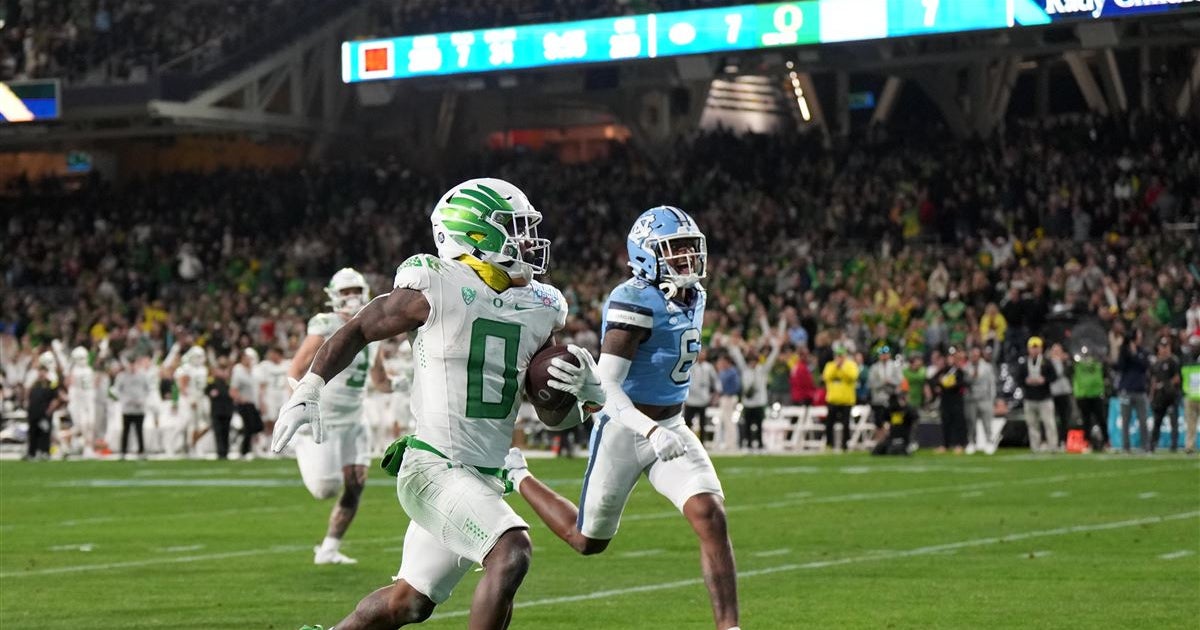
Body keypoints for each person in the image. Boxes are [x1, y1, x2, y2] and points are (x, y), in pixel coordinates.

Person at [273, 178, 570, 629]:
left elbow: (549, 410)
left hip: (485, 474)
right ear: (475, 234)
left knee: (407, 604)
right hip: (435, 466)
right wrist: (311, 384)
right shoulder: (437, 283)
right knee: (511, 551)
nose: (527, 239)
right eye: (513, 227)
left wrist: (579, 393)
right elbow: (360, 327)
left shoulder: (541, 306)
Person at [506, 205, 741, 630]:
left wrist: (664, 429)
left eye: (691, 247)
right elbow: (606, 387)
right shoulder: (633, 300)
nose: (687, 258)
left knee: (710, 514)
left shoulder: (694, 294)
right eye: (675, 249)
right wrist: (648, 429)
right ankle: (519, 474)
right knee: (586, 540)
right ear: (647, 255)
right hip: (625, 428)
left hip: (672, 425)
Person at [285, 267, 390, 565]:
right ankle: (301, 442)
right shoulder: (325, 324)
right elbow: (295, 370)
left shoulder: (374, 328)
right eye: (346, 292)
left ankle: (329, 548)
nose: (353, 297)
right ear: (334, 296)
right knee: (325, 489)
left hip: (355, 418)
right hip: (324, 418)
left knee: (356, 482)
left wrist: (404, 381)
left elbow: (380, 380)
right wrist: (297, 405)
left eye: (356, 291)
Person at [728, 316, 783, 452]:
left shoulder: (762, 370)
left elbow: (771, 359)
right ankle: (747, 444)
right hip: (747, 402)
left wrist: (776, 348)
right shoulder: (745, 370)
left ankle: (759, 444)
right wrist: (735, 346)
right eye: (750, 360)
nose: (752, 363)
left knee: (759, 424)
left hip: (759, 402)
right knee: (746, 424)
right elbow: (737, 356)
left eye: (754, 361)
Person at [1017, 337, 1057, 453]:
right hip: (1030, 398)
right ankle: (1035, 447)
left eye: (1037, 348)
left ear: (1041, 348)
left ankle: (1052, 446)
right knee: (1032, 424)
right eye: (1032, 348)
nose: (1034, 351)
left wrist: (1044, 380)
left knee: (1049, 423)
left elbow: (1054, 376)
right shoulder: (1024, 363)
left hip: (1044, 398)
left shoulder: (1047, 362)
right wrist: (1026, 381)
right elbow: (1018, 378)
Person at [1116, 330, 1152, 454]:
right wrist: (1125, 350)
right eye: (1138, 336)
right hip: (1126, 390)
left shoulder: (1143, 352)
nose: (1140, 339)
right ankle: (1126, 447)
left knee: (1143, 420)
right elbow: (1120, 366)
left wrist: (1135, 353)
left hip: (1140, 391)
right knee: (1125, 421)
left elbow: (1144, 365)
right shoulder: (1124, 352)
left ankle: (1145, 446)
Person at [24, 352, 64, 460]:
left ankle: (45, 452)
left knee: (45, 433)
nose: (41, 373)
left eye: (43, 371)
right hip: (33, 413)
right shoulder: (35, 383)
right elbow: (29, 396)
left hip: (44, 412)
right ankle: (31, 453)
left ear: (46, 372)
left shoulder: (51, 383)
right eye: (39, 371)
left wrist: (49, 410)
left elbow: (55, 398)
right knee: (33, 433)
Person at [114, 355, 154, 459]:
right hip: (127, 408)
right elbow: (116, 390)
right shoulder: (122, 376)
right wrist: (124, 400)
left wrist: (142, 399)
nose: (132, 366)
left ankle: (141, 451)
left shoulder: (143, 375)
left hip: (139, 407)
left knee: (139, 430)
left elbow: (149, 389)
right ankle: (123, 452)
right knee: (126, 430)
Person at [174, 345, 210, 455]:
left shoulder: (204, 369)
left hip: (200, 398)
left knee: (204, 425)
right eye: (196, 356)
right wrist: (190, 399)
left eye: (200, 356)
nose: (198, 359)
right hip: (188, 399)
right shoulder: (187, 368)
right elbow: (182, 386)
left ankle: (192, 445)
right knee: (186, 424)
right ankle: (176, 445)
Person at [822, 345, 859, 451]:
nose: (839, 357)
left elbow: (852, 377)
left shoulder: (850, 365)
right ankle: (829, 444)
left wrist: (842, 368)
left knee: (846, 424)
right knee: (829, 424)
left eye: (841, 355)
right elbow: (826, 377)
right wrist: (836, 367)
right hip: (832, 399)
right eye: (837, 355)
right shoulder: (830, 365)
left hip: (846, 400)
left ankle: (845, 445)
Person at [934, 347, 970, 453]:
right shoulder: (944, 370)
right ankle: (945, 444)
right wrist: (940, 384)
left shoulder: (959, 371)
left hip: (956, 400)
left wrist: (951, 384)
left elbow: (963, 383)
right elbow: (933, 380)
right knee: (946, 422)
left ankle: (960, 444)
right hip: (945, 400)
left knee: (958, 422)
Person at [230, 348, 264, 459]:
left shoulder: (253, 370)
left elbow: (257, 389)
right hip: (244, 404)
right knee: (248, 428)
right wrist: (240, 398)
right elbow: (233, 389)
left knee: (257, 426)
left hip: (253, 403)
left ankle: (253, 449)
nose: (248, 360)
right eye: (246, 358)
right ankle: (243, 451)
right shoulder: (238, 370)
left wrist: (261, 402)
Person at [1072, 345, 1108, 452]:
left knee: (1101, 419)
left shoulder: (1097, 364)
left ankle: (1106, 442)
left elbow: (1103, 374)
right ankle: (1087, 443)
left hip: (1096, 394)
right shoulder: (1077, 365)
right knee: (1086, 420)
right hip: (1083, 395)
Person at [1149, 337, 1181, 453]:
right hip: (1160, 397)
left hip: (1171, 396)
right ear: (1158, 348)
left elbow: (1177, 378)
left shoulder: (1173, 361)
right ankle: (1152, 444)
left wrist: (1165, 385)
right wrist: (1152, 395)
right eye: (1162, 347)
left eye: (1166, 347)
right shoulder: (1156, 363)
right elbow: (1153, 380)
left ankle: (1174, 445)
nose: (1164, 349)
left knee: (1174, 422)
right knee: (1157, 421)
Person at [867, 345, 903, 441]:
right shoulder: (874, 368)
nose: (884, 356)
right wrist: (883, 383)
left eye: (886, 354)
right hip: (878, 399)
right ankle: (880, 441)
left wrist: (890, 381)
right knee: (879, 421)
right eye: (882, 354)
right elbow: (871, 383)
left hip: (892, 397)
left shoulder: (895, 366)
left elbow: (900, 380)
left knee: (893, 420)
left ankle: (893, 438)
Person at [684, 348, 720, 442]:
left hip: (703, 400)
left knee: (702, 423)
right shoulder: (690, 365)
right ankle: (688, 442)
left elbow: (716, 381)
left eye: (704, 353)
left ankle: (702, 442)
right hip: (690, 399)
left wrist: (716, 394)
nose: (702, 355)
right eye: (700, 353)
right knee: (688, 423)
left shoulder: (708, 367)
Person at [966, 346, 997, 454]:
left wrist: (992, 398)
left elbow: (991, 383)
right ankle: (971, 442)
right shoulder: (966, 367)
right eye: (972, 355)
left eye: (976, 355)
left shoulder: (987, 367)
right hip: (971, 399)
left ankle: (989, 442)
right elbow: (965, 383)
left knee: (987, 422)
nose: (974, 357)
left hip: (985, 398)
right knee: (971, 422)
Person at [207, 357, 236, 460]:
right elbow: (207, 391)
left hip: (227, 410)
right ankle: (220, 452)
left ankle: (226, 452)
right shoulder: (212, 382)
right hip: (216, 410)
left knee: (226, 432)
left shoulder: (229, 382)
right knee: (218, 432)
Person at [1048, 343, 1074, 448]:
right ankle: (1053, 441)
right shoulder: (1048, 363)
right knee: (1052, 419)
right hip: (1053, 393)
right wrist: (1057, 361)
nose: (1057, 353)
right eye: (1055, 351)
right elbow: (1054, 376)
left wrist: (1066, 361)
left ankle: (1064, 440)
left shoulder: (1066, 363)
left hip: (1065, 392)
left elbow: (1071, 372)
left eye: (1059, 351)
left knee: (1065, 418)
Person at [714, 349, 741, 452]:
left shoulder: (731, 372)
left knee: (729, 421)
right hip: (725, 398)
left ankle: (732, 442)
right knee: (725, 421)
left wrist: (725, 393)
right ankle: (727, 442)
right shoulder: (725, 372)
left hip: (729, 397)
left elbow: (735, 387)